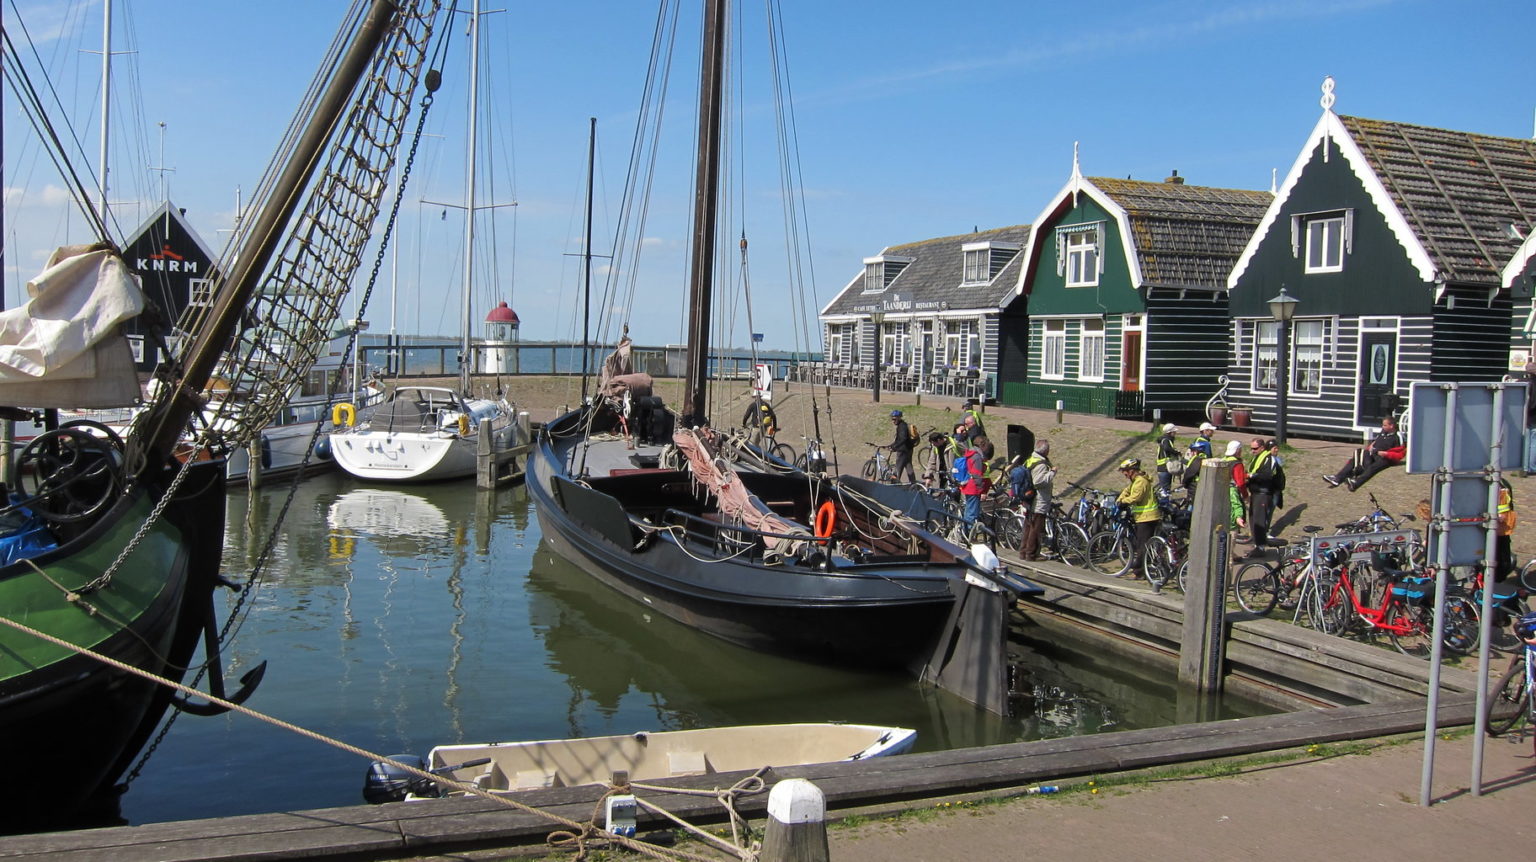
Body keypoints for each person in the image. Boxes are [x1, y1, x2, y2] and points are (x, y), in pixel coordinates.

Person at [1323, 416, 1405, 492]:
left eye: (1385, 425)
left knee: (1372, 468)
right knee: (1357, 456)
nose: (1382, 427)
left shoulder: (1397, 436)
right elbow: (1377, 441)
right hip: (1374, 453)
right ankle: (1337, 478)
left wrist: (1386, 454)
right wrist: (1371, 446)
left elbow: (1400, 454)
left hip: (1385, 458)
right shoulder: (1383, 432)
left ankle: (1355, 482)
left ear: (1391, 426)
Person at [1116, 457, 1160, 580]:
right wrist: (1120, 499)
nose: (1124, 474)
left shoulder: (1140, 481)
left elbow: (1136, 497)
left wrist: (1124, 502)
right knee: (1141, 543)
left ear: (1131, 471)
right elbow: (1127, 491)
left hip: (1147, 517)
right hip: (1142, 517)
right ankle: (1143, 568)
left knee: (1142, 545)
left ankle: (1139, 572)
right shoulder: (1135, 481)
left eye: (1125, 471)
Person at [1020, 440, 1056, 562]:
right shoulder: (1041, 464)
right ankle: (1031, 554)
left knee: (1028, 526)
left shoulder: (1031, 459)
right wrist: (1052, 473)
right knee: (1036, 527)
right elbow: (1038, 482)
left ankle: (1023, 552)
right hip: (1038, 500)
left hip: (1029, 499)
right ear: (1045, 450)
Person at [1246, 437, 1282, 552]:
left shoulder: (1269, 459)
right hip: (1255, 492)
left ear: (1262, 448)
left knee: (1259, 521)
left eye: (1255, 448)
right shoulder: (1257, 458)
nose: (1252, 451)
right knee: (1253, 520)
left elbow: (1267, 475)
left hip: (1263, 493)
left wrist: (1251, 476)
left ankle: (1260, 547)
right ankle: (1256, 544)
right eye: (1251, 448)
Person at [1220, 439, 1249, 540]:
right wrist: (1246, 496)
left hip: (1221, 491)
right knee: (1234, 518)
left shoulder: (1223, 460)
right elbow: (1240, 483)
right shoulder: (1237, 464)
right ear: (1237, 450)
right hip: (1232, 491)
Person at [960, 435, 991, 524]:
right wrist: (981, 490)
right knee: (972, 514)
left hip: (968, 486)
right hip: (974, 488)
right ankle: (969, 531)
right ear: (982, 445)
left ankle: (966, 529)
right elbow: (977, 474)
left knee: (969, 510)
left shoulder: (971, 453)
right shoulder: (977, 457)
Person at [1182, 421, 1216, 489]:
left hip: (1192, 466)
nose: (1213, 432)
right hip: (1200, 468)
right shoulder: (1206, 443)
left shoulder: (1197, 440)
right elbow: (1209, 458)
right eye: (1211, 430)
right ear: (1205, 431)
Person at [887, 409, 917, 484]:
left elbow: (903, 439)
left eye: (894, 419)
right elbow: (899, 439)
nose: (893, 421)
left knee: (898, 468)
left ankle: (894, 484)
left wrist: (895, 447)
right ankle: (913, 483)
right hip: (908, 449)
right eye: (892, 419)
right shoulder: (903, 425)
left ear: (899, 417)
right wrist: (892, 445)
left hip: (903, 451)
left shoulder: (902, 427)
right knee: (908, 466)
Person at [1154, 423, 1183, 492]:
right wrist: (1176, 452)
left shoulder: (1164, 440)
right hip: (1165, 467)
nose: (1175, 433)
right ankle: (1163, 499)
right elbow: (1167, 448)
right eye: (1174, 431)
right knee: (1165, 490)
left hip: (1163, 467)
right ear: (1170, 432)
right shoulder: (1166, 440)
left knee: (1164, 487)